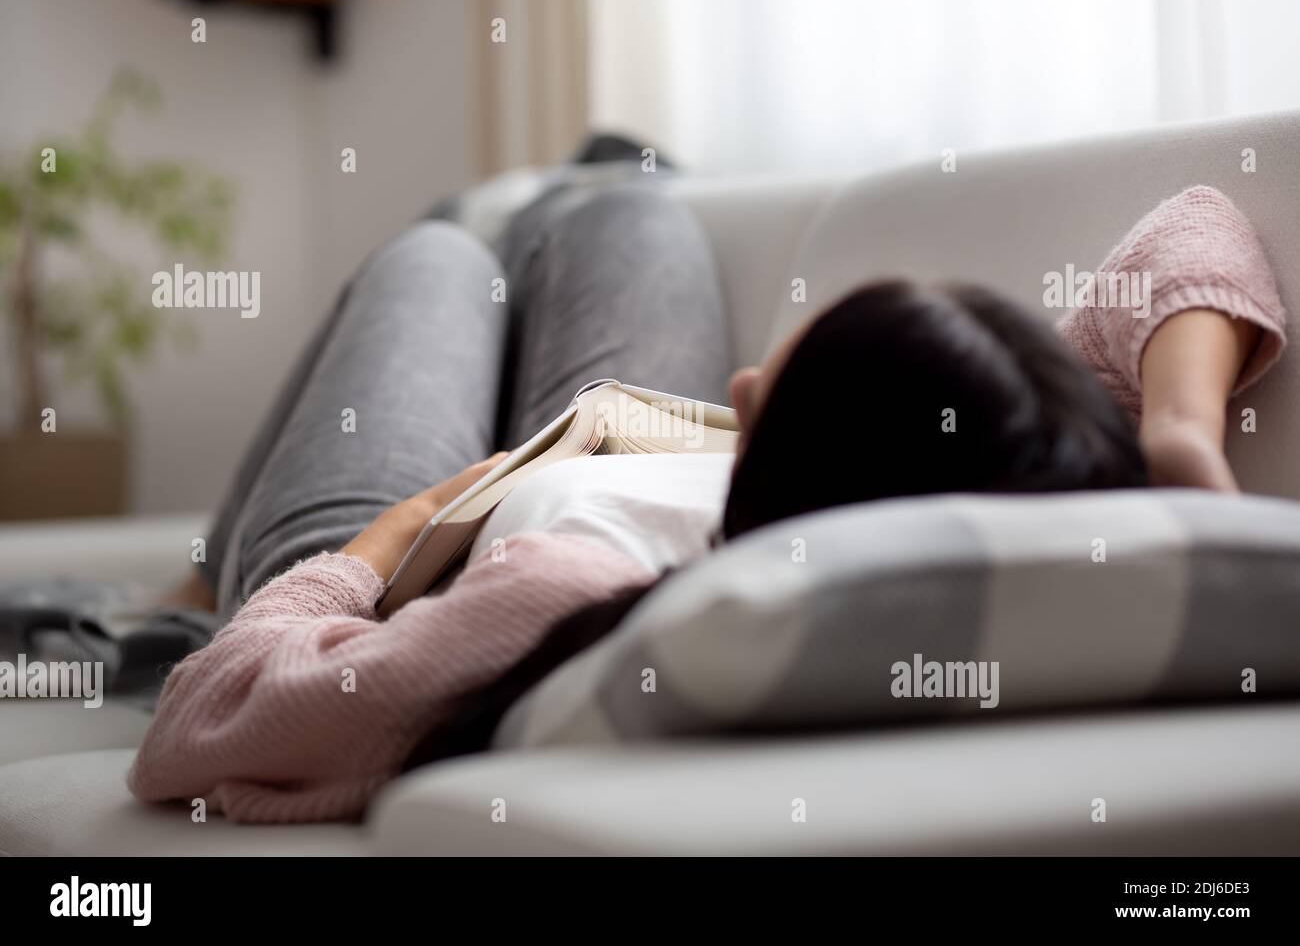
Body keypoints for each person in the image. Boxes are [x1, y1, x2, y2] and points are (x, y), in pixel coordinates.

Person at [130, 183, 1286, 822]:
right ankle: (549, 215)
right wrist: (1179, 437)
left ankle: (204, 574)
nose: (744, 377)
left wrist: (402, 523)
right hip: (613, 449)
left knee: (433, 257)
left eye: (774, 390)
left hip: (415, 549)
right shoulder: (1024, 475)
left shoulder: (556, 598)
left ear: (792, 453)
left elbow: (202, 721)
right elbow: (1196, 220)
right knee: (630, 210)